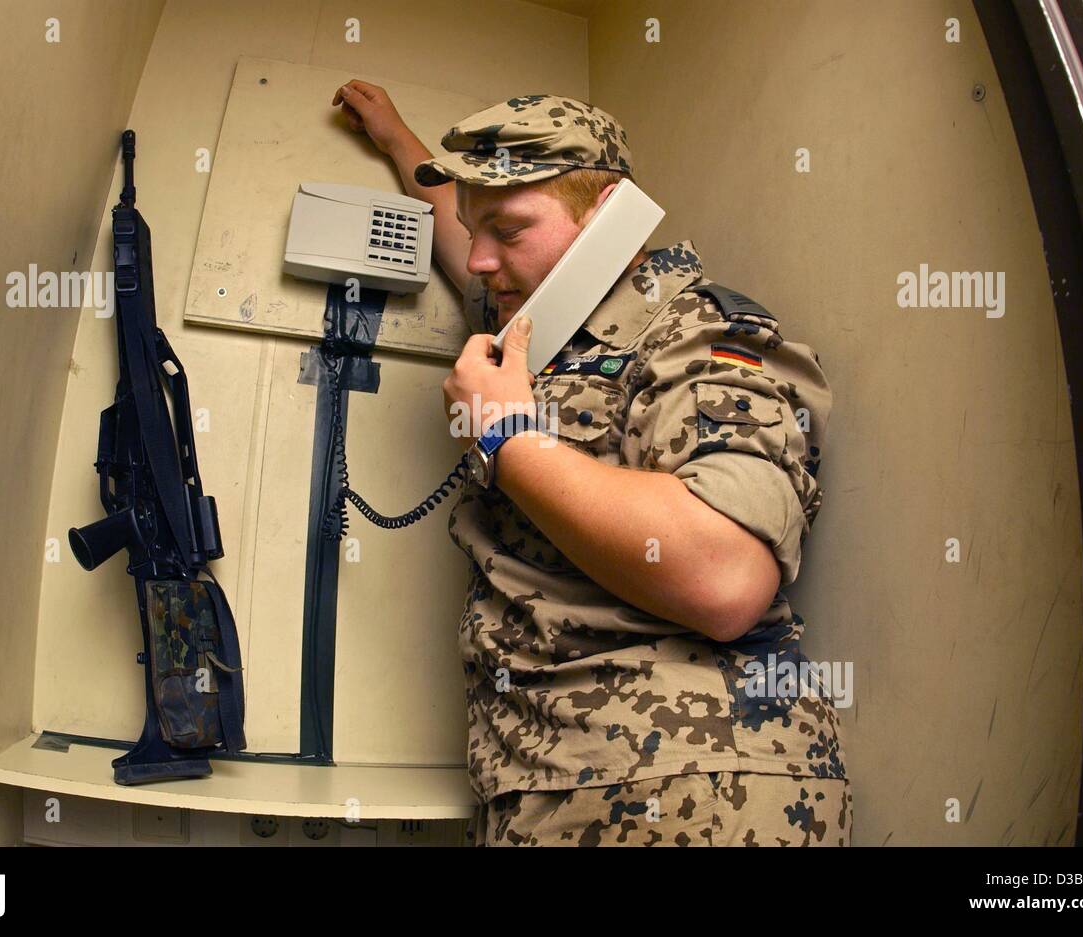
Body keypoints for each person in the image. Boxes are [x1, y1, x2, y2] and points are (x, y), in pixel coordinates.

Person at [333, 81, 850, 846]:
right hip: (545, 787)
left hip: (690, 794)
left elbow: (728, 576)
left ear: (607, 218)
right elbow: (455, 224)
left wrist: (505, 435)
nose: (478, 260)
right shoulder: (535, 325)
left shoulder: (701, 335)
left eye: (507, 229)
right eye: (477, 229)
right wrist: (394, 136)